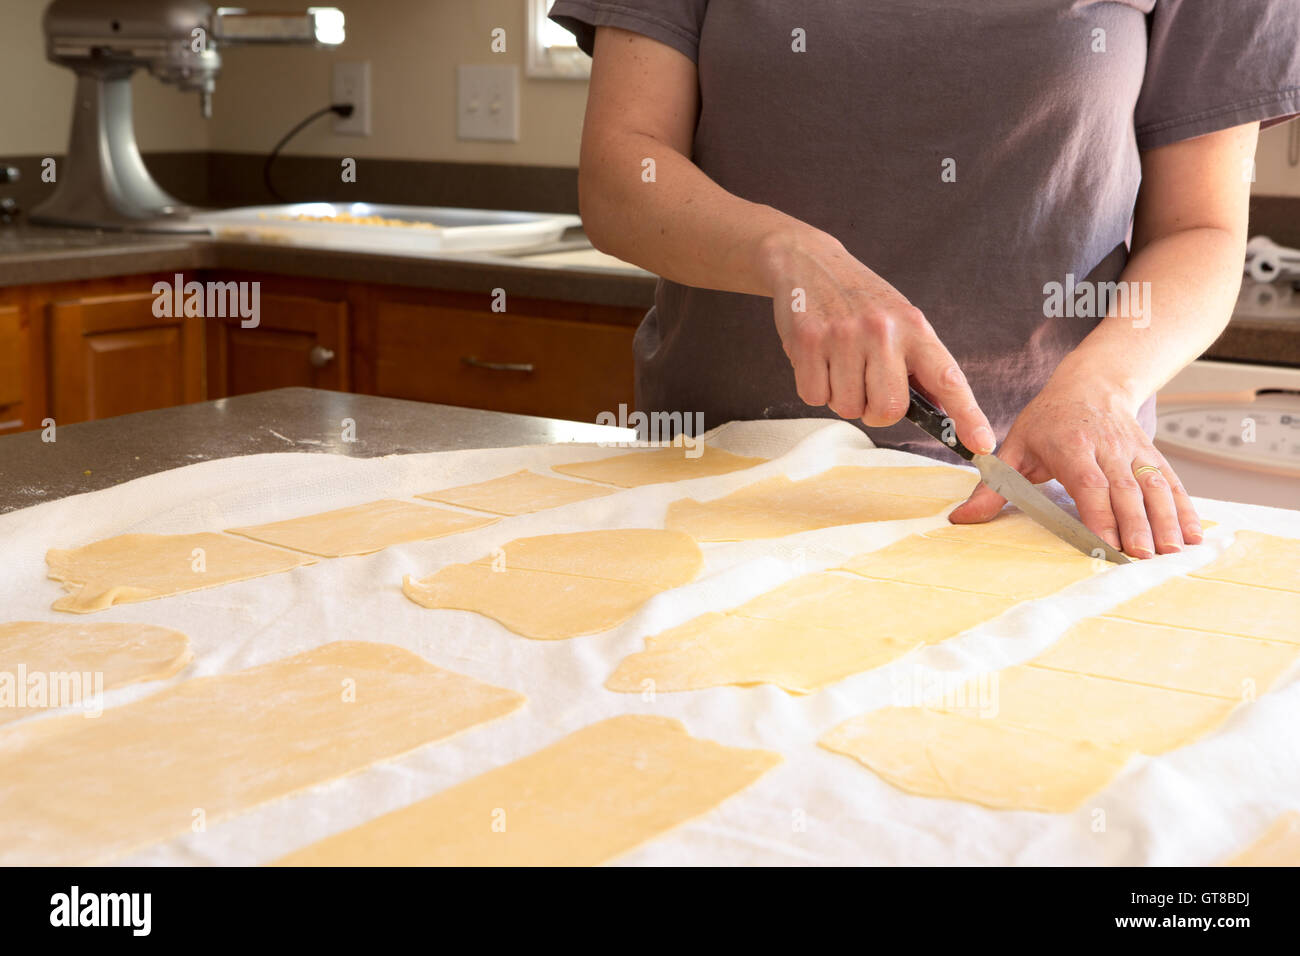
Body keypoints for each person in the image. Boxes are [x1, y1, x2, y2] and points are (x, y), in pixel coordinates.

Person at [549, 0, 1300, 558]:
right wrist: (789, 255)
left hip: (1025, 498)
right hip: (715, 486)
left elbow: (1199, 231)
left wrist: (1100, 387)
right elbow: (622, 172)